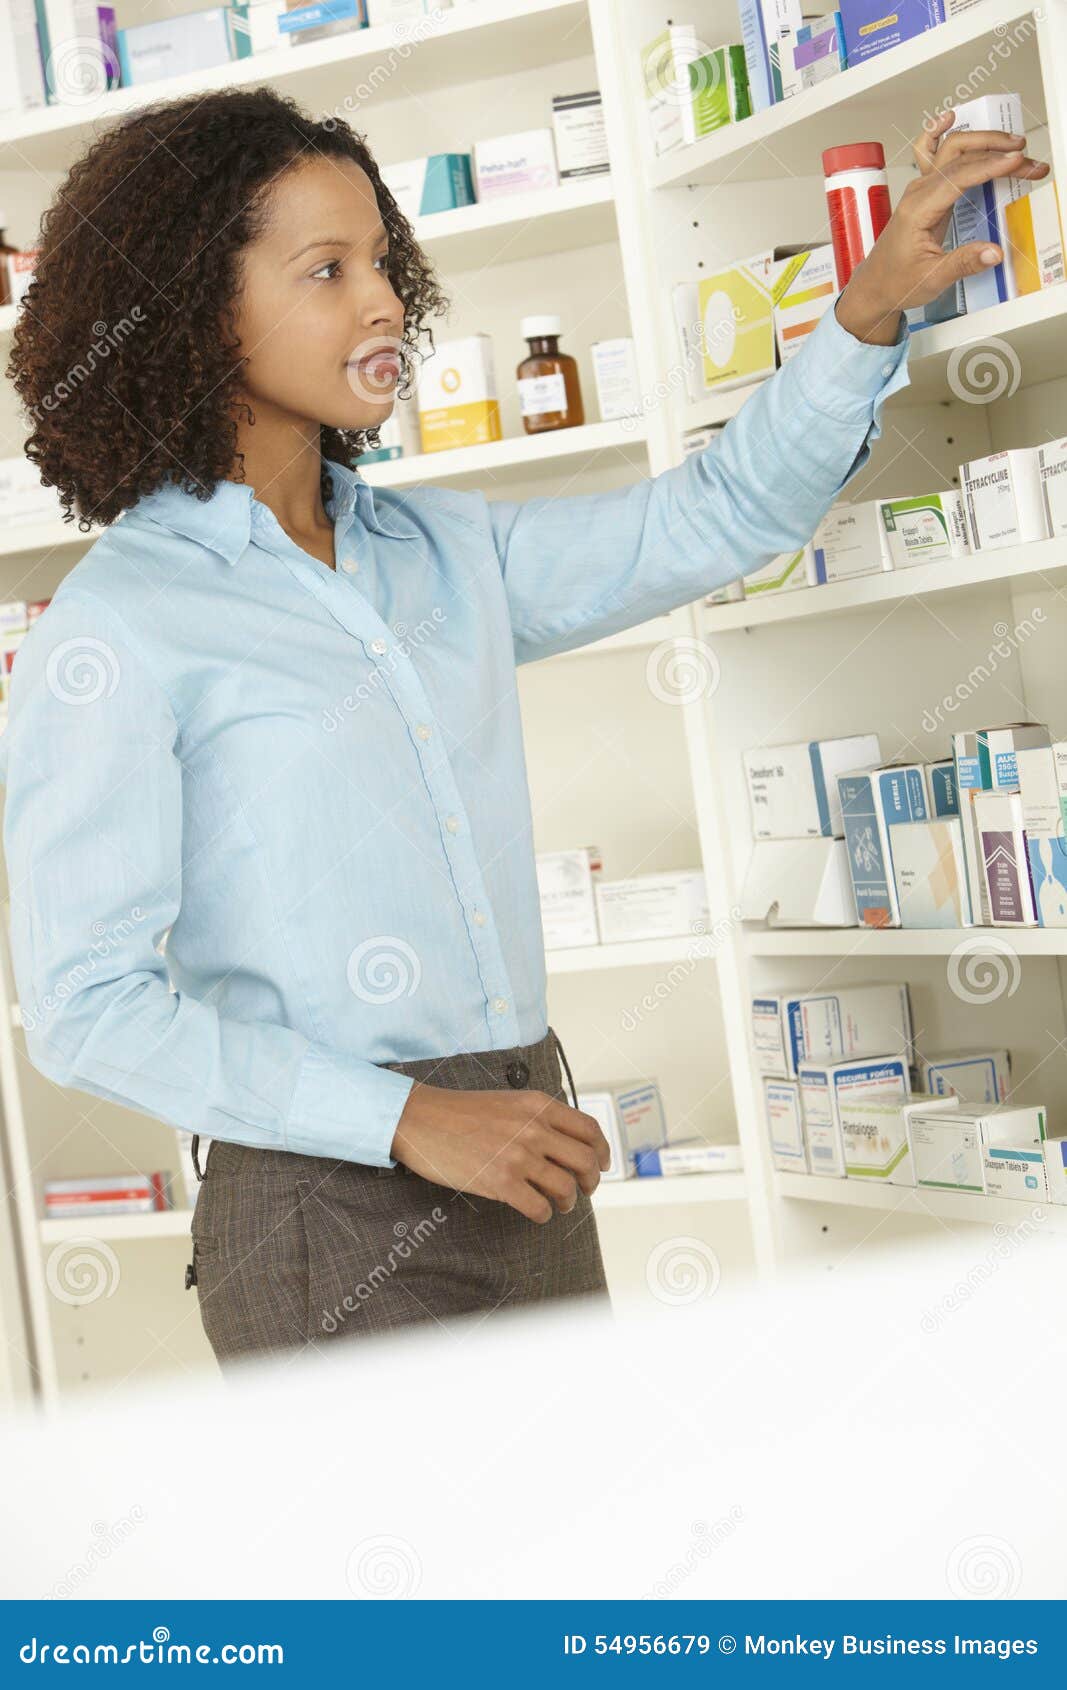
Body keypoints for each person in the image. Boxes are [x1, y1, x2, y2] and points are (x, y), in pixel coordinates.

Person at [0, 87, 1045, 1370]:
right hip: (322, 1202)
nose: (384, 302)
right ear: (196, 311)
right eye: (326, 271)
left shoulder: (445, 552)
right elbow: (85, 1006)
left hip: (526, 1146)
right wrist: (404, 1118)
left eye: (381, 259)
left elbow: (705, 518)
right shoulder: (122, 626)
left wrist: (865, 309)